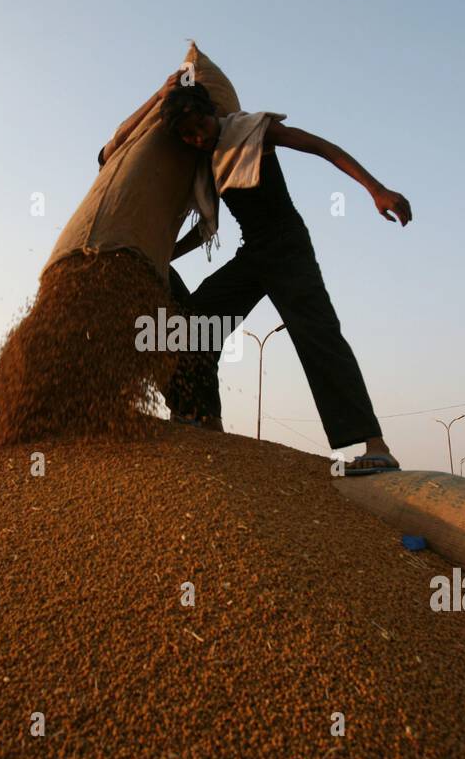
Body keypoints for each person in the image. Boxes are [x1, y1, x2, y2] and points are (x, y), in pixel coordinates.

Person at [158, 82, 412, 475]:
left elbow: (320, 146)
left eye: (200, 126)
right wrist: (164, 254)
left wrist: (375, 189)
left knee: (318, 334)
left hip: (288, 246)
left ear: (213, 113)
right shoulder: (207, 163)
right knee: (194, 318)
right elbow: (207, 229)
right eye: (188, 135)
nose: (197, 137)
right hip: (253, 253)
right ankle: (202, 418)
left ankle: (375, 447)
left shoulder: (251, 130)